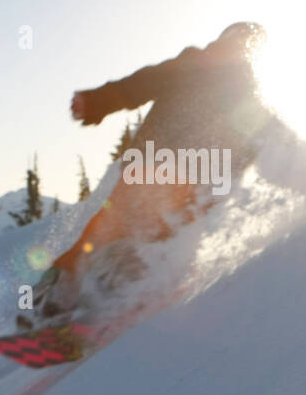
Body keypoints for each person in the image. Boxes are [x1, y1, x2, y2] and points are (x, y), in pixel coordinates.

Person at [20, 22, 272, 327]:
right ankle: (61, 299)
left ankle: (87, 297)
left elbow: (261, 142)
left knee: (133, 236)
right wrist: (99, 100)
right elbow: (144, 82)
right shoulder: (206, 70)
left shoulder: (243, 91)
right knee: (126, 233)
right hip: (165, 171)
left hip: (172, 173)